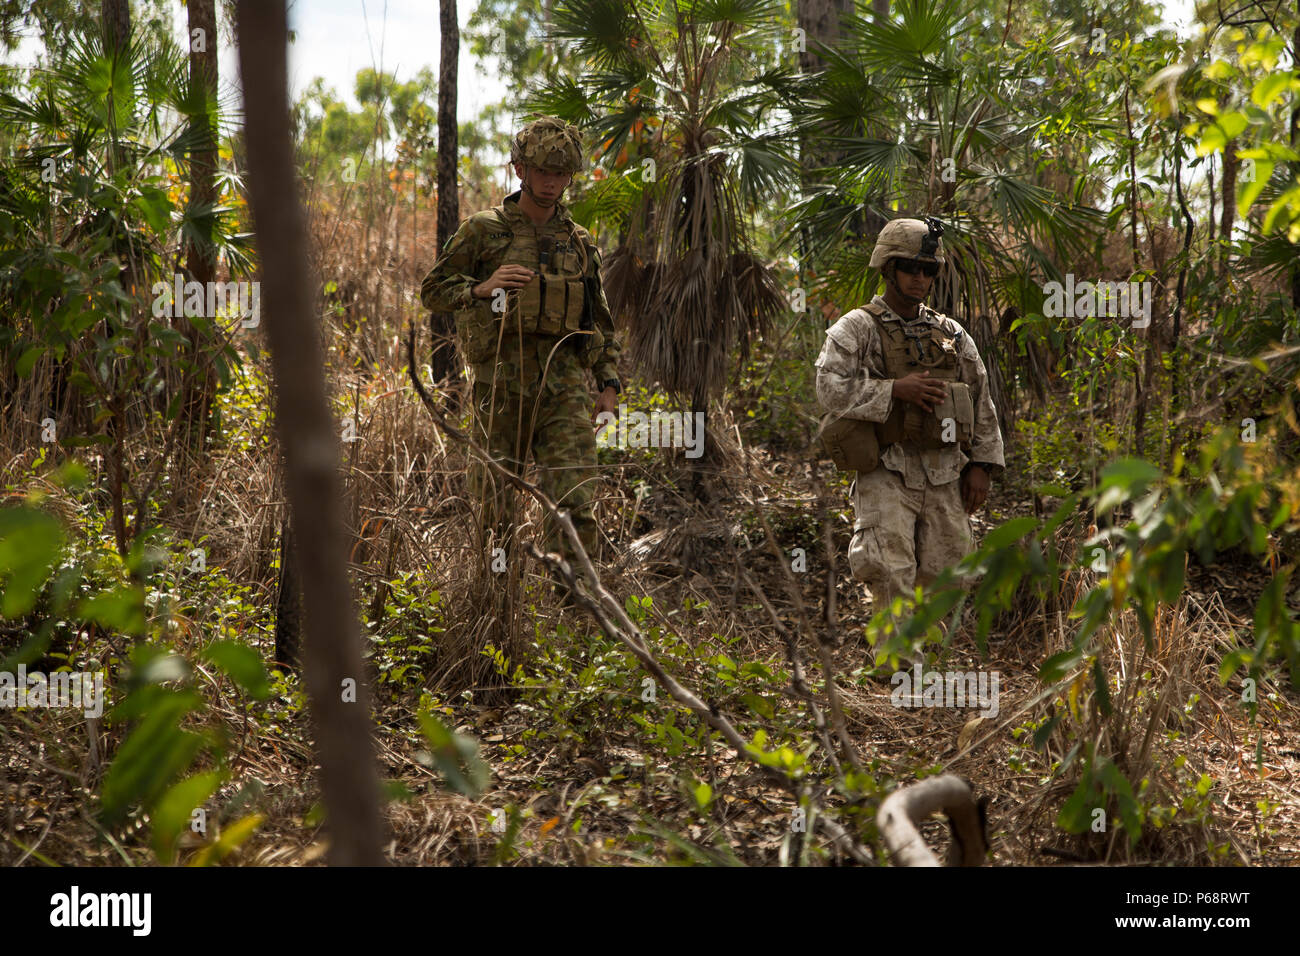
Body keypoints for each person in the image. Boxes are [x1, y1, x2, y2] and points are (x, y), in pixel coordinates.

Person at [420, 116, 621, 587]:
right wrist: (481, 287)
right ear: (519, 170)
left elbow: (600, 320)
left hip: (565, 384)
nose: (551, 183)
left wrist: (609, 385)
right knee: (494, 504)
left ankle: (575, 617)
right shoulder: (482, 231)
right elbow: (433, 289)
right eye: (542, 171)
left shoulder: (580, 242)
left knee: (574, 503)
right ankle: (493, 613)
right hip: (501, 384)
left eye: (561, 174)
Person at [816, 216, 1004, 618]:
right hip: (887, 468)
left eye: (928, 270)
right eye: (910, 267)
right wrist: (893, 391)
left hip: (944, 472)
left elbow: (980, 397)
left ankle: (929, 667)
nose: (920, 277)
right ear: (888, 269)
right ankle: (898, 669)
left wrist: (983, 466)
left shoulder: (951, 333)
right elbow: (829, 388)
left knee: (948, 572)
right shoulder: (858, 327)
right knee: (888, 570)